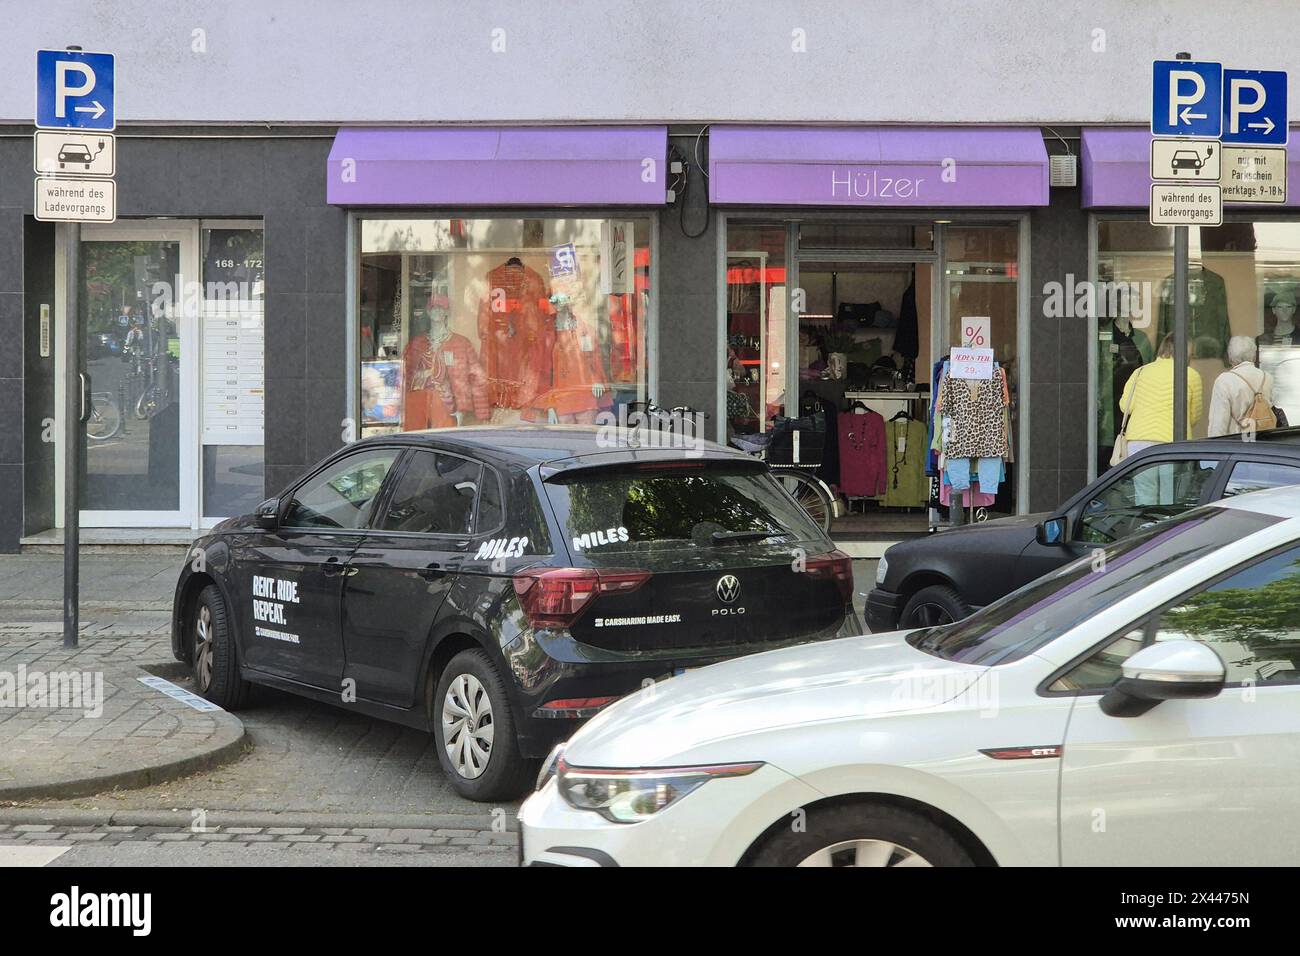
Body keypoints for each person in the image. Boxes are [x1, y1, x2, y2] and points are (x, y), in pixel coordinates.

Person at [1117, 332, 1203, 454]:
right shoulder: (1191, 374)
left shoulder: (1140, 371)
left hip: (1139, 440)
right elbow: (1194, 416)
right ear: (1188, 353)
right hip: (1174, 441)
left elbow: (1126, 406)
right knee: (1173, 474)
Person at [1208, 336, 1275, 437]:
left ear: (1230, 358)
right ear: (1254, 357)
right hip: (1265, 444)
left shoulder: (1224, 381)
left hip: (1238, 445)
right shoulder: (1268, 378)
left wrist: (1213, 448)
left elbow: (1218, 424)